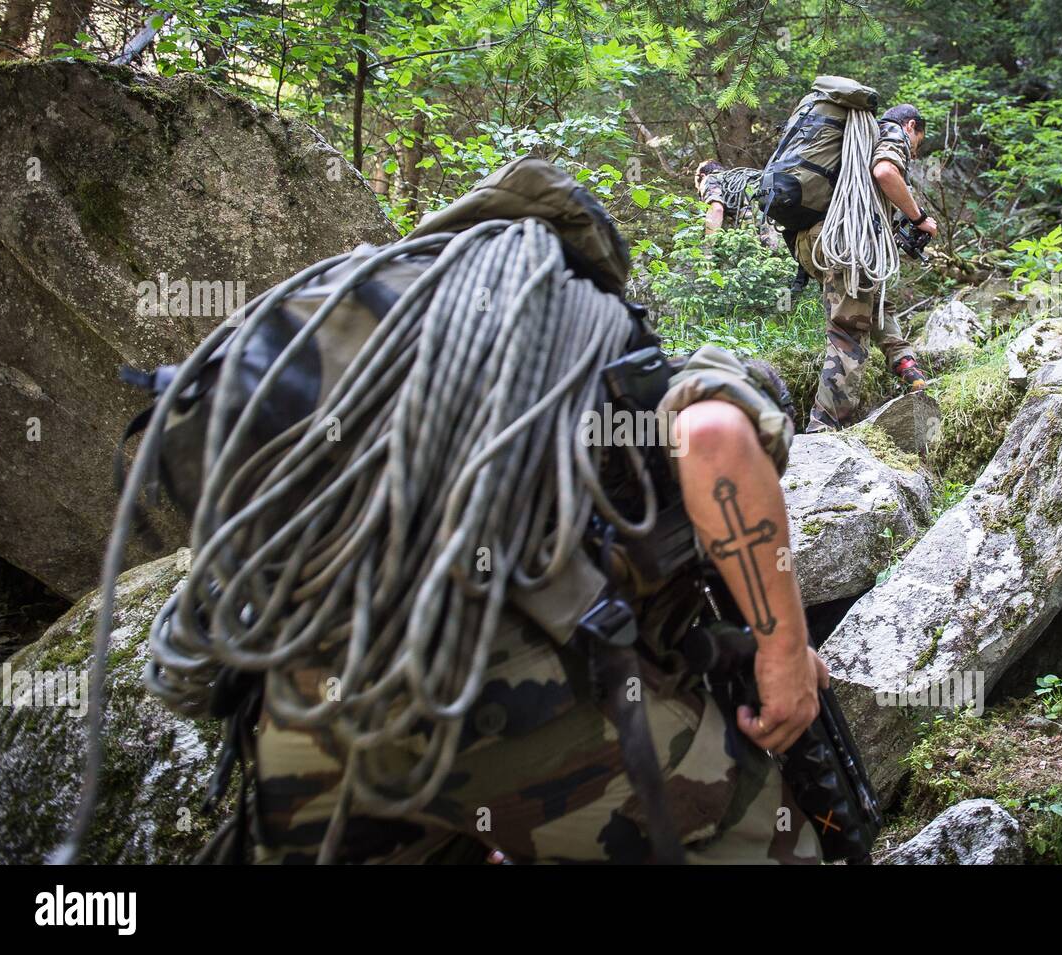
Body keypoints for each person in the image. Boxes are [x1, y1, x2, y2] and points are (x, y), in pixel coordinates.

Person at [217, 164, 831, 864]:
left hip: (308, 691)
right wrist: (784, 655)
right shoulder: (594, 346)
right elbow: (714, 436)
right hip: (492, 691)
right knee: (766, 845)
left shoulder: (361, 348)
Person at [798, 104, 933, 432]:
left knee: (872, 303)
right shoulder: (892, 132)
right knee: (849, 331)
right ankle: (823, 432)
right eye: (917, 143)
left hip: (813, 238)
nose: (913, 151)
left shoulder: (852, 146)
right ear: (911, 126)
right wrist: (919, 218)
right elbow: (885, 172)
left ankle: (908, 368)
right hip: (848, 241)